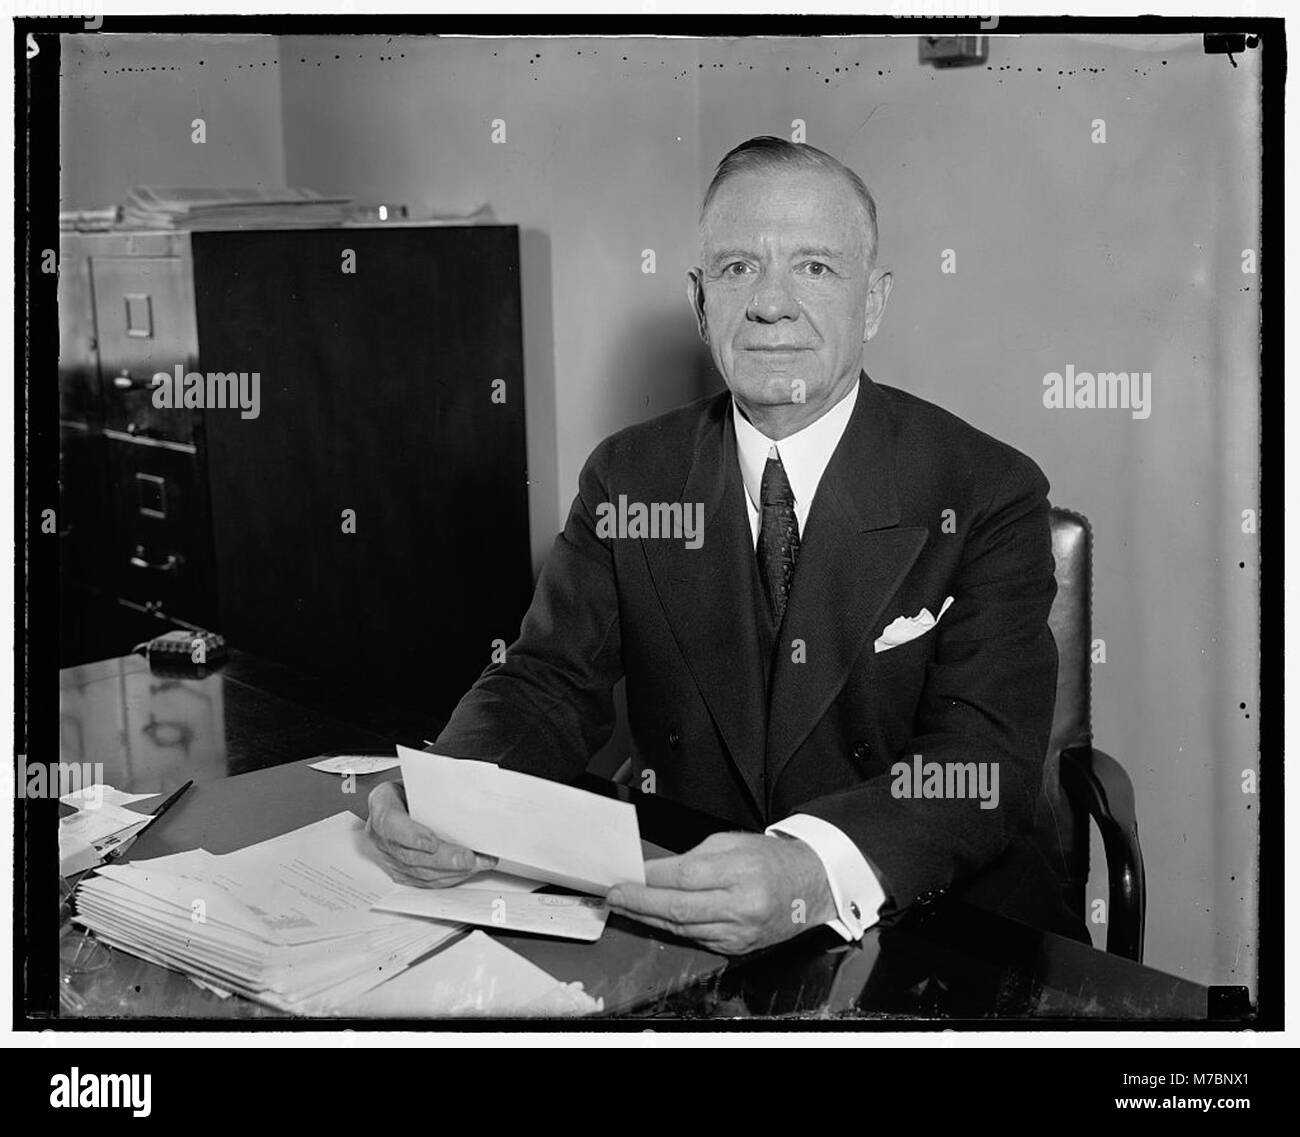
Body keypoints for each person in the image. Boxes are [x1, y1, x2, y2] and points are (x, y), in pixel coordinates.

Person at [368, 136, 1080, 955]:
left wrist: (810, 867)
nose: (772, 304)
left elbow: (978, 763)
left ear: (875, 302)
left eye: (815, 267)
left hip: (930, 925)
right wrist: (454, 792)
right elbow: (544, 683)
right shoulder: (628, 476)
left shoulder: (987, 490)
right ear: (702, 303)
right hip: (695, 913)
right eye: (740, 267)